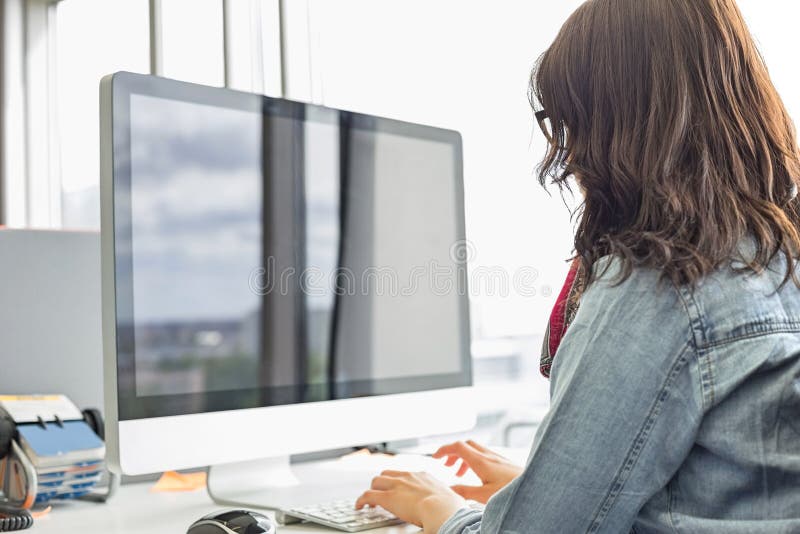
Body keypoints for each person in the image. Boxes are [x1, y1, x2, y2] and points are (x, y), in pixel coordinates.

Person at [355, 0, 800, 532]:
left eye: (565, 122)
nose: (566, 158)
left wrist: (441, 508)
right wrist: (542, 483)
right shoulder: (777, 257)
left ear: (610, 124)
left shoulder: (664, 284)